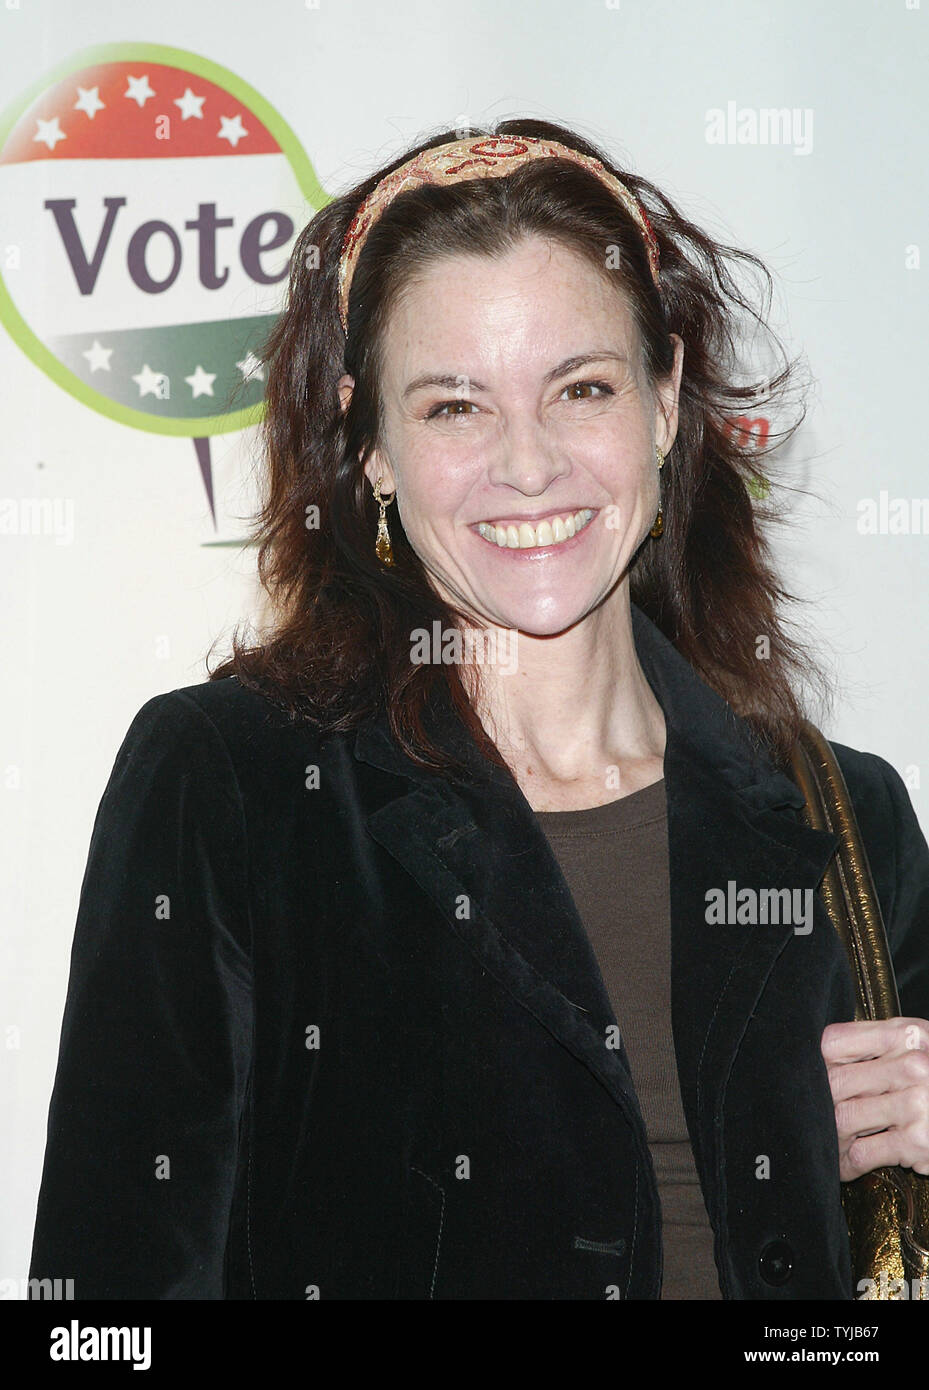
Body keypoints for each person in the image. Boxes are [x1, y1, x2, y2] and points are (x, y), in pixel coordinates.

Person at [28, 120, 929, 1300]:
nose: (528, 463)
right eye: (454, 406)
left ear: (663, 403)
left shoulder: (841, 817)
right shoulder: (228, 786)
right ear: (372, 451)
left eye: (582, 388)